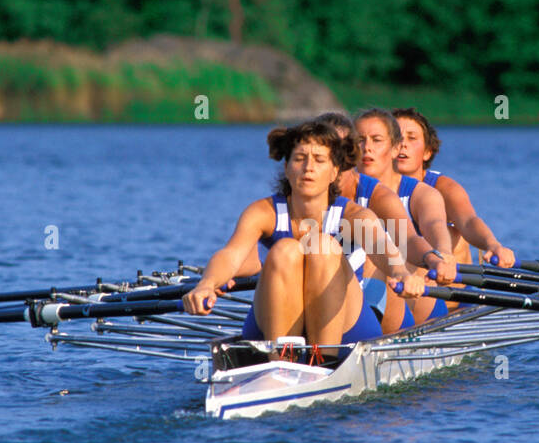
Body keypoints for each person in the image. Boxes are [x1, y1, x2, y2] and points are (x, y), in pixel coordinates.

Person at [182, 119, 425, 356]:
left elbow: (382, 248)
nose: (309, 167)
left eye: (319, 160)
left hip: (347, 330)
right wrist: (206, 284)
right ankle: (281, 361)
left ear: (334, 172)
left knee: (321, 246)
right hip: (272, 328)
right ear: (287, 168)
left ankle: (324, 358)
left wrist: (402, 274)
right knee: (286, 249)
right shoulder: (263, 212)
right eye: (299, 158)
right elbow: (231, 255)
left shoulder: (354, 215)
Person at [352, 108, 458, 324]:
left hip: (413, 295)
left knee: (378, 249)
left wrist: (443, 254)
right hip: (353, 297)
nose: (367, 147)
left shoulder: (422, 193)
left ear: (394, 149)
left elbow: (434, 224)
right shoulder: (335, 191)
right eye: (360, 140)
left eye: (376, 140)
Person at [393, 106, 516, 270]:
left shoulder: (444, 188)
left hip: (440, 277)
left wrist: (493, 244)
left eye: (411, 138)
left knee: (453, 235)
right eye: (396, 137)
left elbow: (468, 221)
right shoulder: (367, 186)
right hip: (390, 275)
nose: (402, 144)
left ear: (427, 152)